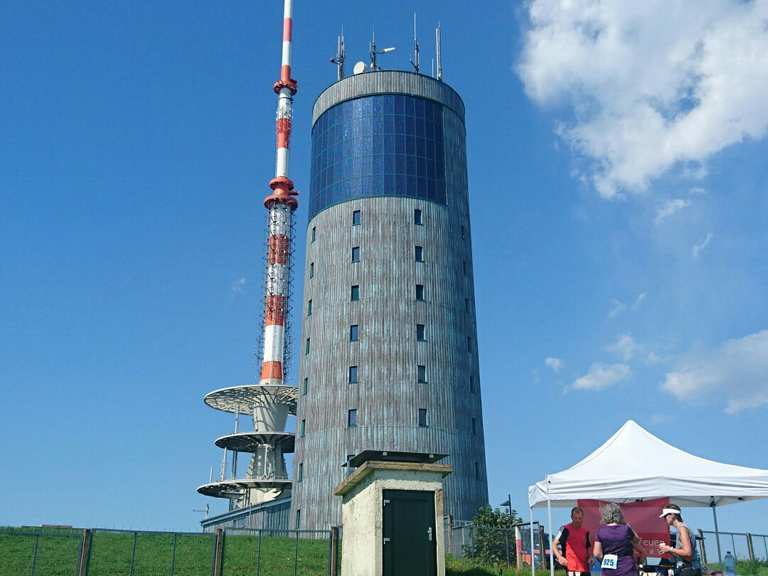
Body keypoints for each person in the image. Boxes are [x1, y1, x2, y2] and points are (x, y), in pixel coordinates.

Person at [593, 502, 646, 576]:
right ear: (619, 515)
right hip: (627, 569)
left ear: (604, 515)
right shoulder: (626, 529)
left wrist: (604, 562)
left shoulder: (600, 531)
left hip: (609, 570)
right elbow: (637, 540)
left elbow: (597, 554)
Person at [658, 504, 702, 576]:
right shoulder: (681, 528)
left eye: (665, 516)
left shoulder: (682, 528)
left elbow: (688, 553)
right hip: (689, 569)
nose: (664, 518)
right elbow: (684, 555)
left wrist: (670, 549)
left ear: (673, 515)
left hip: (689, 569)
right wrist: (668, 550)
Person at [554, 506, 593, 576]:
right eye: (575, 518)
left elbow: (588, 547)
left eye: (580, 518)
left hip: (585, 568)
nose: (578, 520)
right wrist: (559, 557)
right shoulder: (564, 529)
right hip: (571, 568)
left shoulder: (586, 531)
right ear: (571, 517)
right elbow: (554, 544)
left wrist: (590, 557)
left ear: (583, 518)